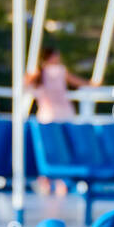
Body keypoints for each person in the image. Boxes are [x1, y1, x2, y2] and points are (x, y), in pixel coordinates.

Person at [26, 47, 90, 195]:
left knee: (47, 150)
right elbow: (77, 82)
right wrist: (91, 83)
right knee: (63, 149)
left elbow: (25, 82)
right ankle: (61, 182)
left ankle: (46, 181)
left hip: (47, 115)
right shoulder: (58, 71)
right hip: (62, 114)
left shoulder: (39, 73)